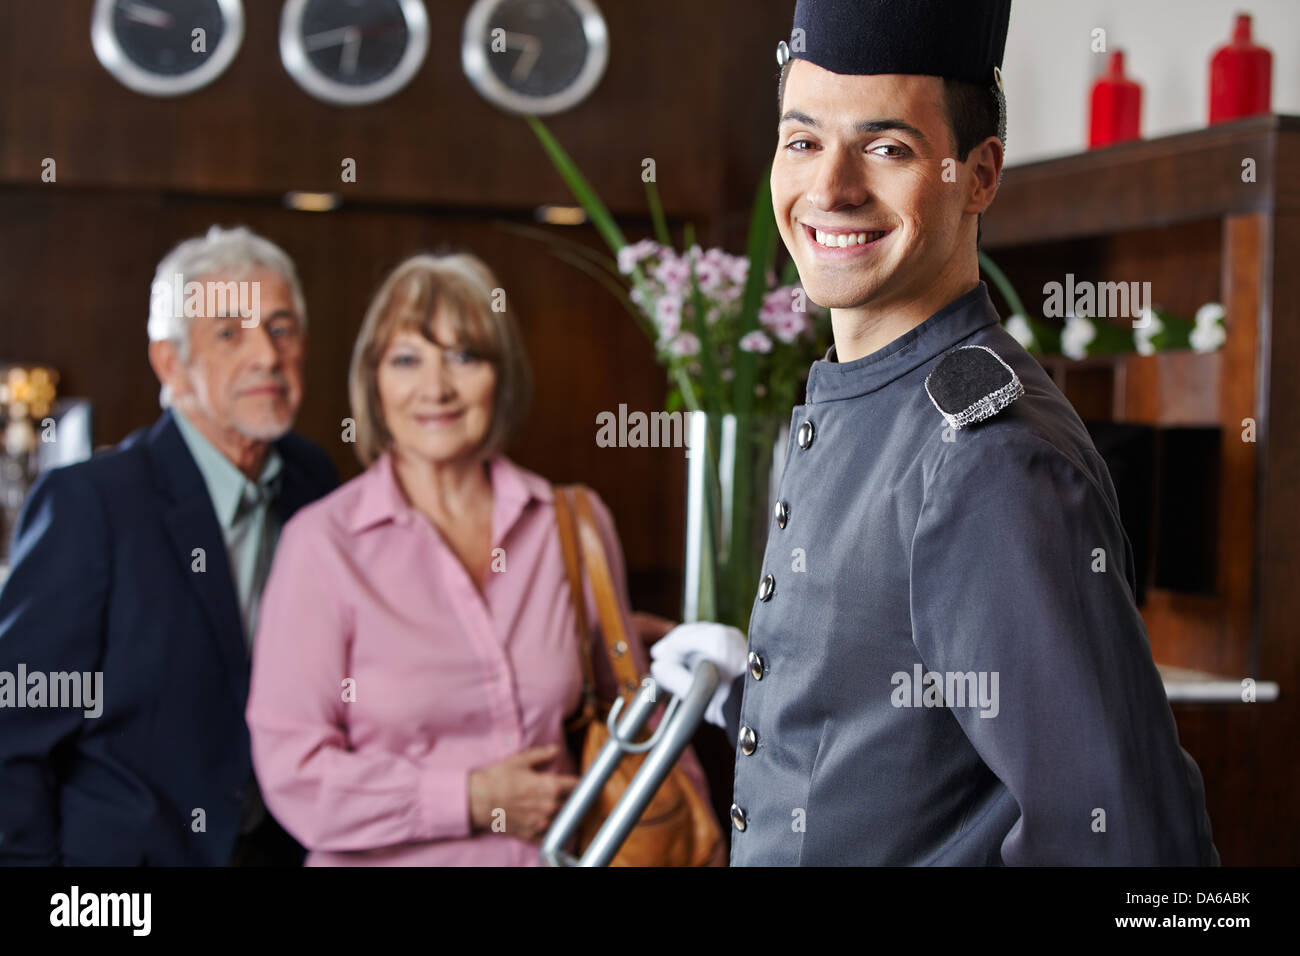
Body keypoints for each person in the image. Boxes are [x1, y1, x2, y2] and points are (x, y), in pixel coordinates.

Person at [650, 0, 1219, 866]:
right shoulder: (863, 399)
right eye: (803, 141)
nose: (831, 188)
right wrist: (744, 697)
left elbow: (1135, 847)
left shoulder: (989, 457)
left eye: (887, 148)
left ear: (980, 174)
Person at [246, 252, 711, 866]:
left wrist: (695, 832)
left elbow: (636, 718)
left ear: (502, 375)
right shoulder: (323, 544)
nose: (435, 388)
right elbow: (293, 771)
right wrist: (469, 797)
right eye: (407, 359)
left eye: (465, 357)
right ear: (374, 381)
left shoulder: (571, 524)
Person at [0, 225, 338, 866]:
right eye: (231, 334)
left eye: (282, 327)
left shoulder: (313, 483)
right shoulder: (93, 506)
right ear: (170, 363)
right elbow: (14, 730)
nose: (267, 355)